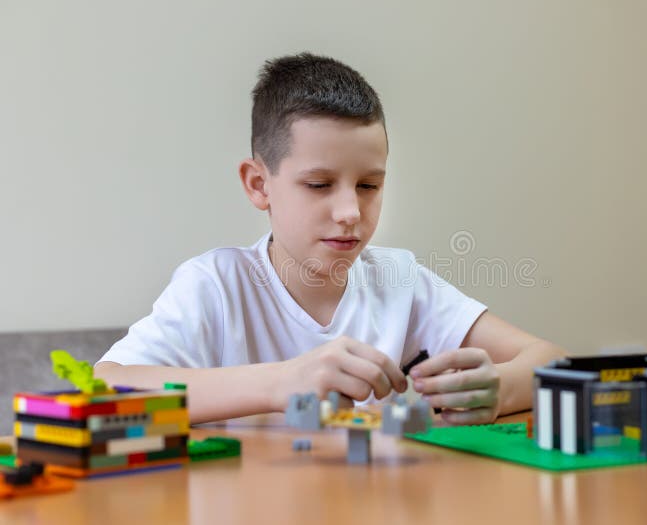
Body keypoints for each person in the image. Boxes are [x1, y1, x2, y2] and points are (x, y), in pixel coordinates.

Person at [95, 52, 567, 424]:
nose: (350, 212)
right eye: (319, 185)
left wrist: (498, 388)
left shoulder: (400, 284)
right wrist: (278, 383)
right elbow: (102, 387)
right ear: (259, 185)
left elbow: (554, 360)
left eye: (369, 185)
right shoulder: (215, 286)